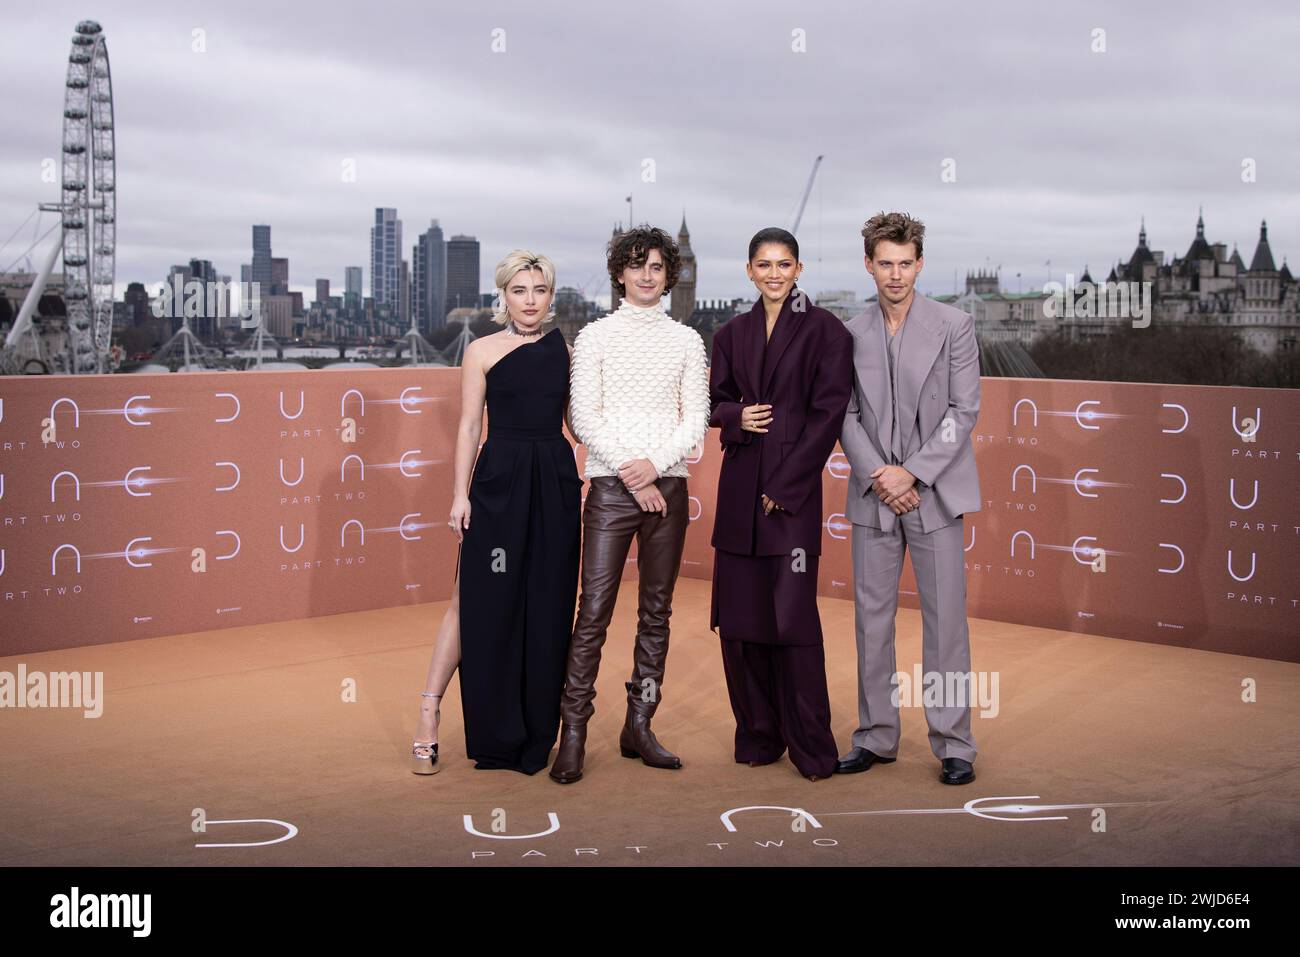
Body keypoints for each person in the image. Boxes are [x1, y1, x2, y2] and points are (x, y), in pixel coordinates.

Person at [548, 225, 710, 785]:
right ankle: (573, 732)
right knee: (592, 612)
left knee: (656, 613)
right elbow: (583, 417)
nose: (647, 275)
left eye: (658, 268)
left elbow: (695, 419)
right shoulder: (594, 337)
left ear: (670, 276)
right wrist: (632, 472)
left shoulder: (688, 340)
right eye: (637, 265)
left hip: (666, 486)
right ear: (620, 272)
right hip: (615, 490)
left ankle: (639, 724)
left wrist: (653, 468)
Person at [410, 250, 581, 775]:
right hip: (498, 481)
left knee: (547, 602)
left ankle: (532, 729)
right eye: (519, 291)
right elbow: (467, 427)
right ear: (502, 296)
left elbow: (579, 421)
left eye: (539, 291)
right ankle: (429, 712)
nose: (530, 301)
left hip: (554, 480)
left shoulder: (566, 350)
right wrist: (460, 494)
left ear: (551, 297)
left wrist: (604, 465)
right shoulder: (481, 351)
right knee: (474, 598)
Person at [836, 211, 982, 785]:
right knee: (873, 621)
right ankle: (875, 735)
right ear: (868, 265)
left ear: (919, 263)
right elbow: (844, 413)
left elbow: (963, 411)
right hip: (875, 497)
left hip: (935, 496)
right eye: (885, 263)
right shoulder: (848, 333)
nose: (895, 274)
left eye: (905, 263)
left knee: (945, 622)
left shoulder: (955, 325)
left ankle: (954, 744)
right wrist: (879, 474)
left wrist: (912, 475)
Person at [707, 227, 854, 781]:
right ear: (749, 270)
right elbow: (714, 402)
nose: (773, 273)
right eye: (763, 264)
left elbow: (827, 418)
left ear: (799, 269)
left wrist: (787, 489)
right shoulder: (730, 334)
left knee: (792, 623)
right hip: (738, 495)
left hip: (789, 502)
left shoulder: (826, 333)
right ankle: (758, 736)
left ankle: (812, 747)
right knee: (740, 627)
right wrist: (734, 417)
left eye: (784, 264)